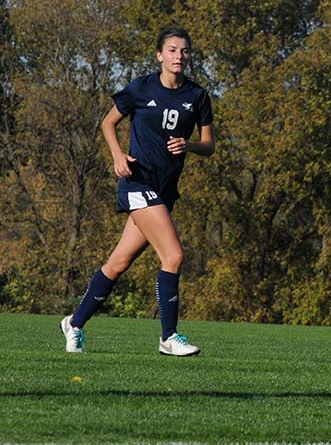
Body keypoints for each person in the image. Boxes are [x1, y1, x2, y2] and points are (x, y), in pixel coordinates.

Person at [60, 26, 215, 357]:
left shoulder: (197, 96)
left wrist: (189, 145)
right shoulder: (141, 87)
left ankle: (75, 323)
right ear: (160, 55)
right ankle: (169, 337)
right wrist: (117, 154)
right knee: (173, 255)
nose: (179, 56)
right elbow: (107, 122)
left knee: (118, 263)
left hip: (164, 191)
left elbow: (209, 145)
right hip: (137, 183)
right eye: (172, 50)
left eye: (184, 51)